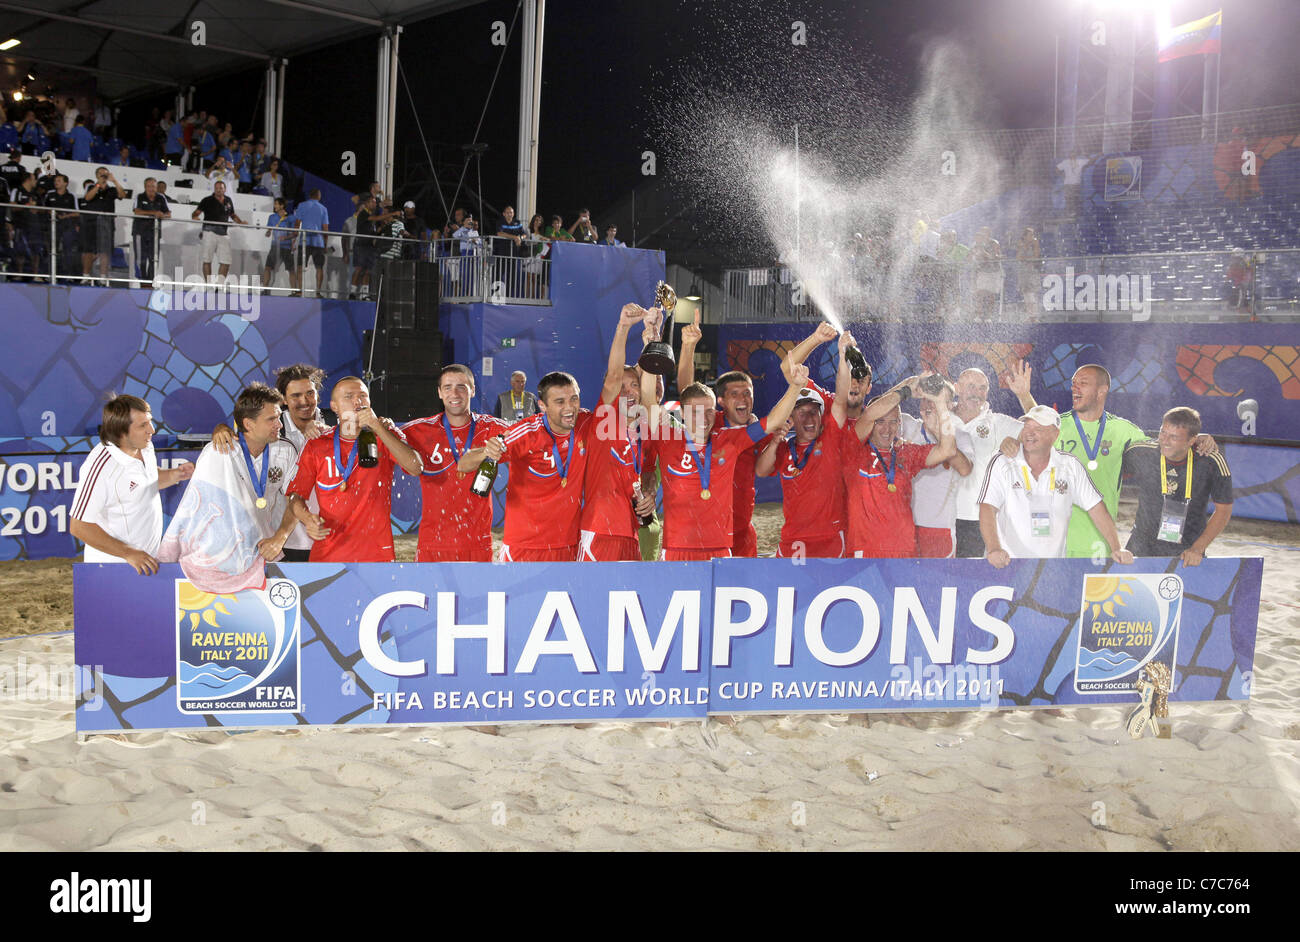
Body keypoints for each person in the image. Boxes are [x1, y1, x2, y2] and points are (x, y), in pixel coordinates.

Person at [1016, 363, 1217, 558]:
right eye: (1073, 383)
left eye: (1083, 383)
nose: (1075, 388)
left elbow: (1166, 448)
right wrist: (1024, 395)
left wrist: (1195, 439)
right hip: (1052, 539)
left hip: (1098, 539)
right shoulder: (1059, 426)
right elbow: (1037, 426)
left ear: (1101, 391)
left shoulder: (1124, 431)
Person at [642, 321, 806, 561]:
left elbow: (772, 421)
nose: (705, 418)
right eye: (696, 412)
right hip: (677, 549)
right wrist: (651, 348)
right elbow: (648, 399)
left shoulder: (729, 439)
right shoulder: (668, 438)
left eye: (708, 411)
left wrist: (795, 387)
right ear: (684, 413)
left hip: (721, 549)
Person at [160, 384, 302, 589]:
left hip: (267, 552)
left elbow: (296, 497)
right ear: (248, 424)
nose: (279, 424)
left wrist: (280, 537)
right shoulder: (218, 451)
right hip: (221, 560)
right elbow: (199, 509)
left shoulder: (285, 450)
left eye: (279, 417)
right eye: (271, 419)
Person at [284, 376, 422, 562]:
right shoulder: (317, 443)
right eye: (349, 396)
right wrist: (308, 519)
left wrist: (377, 428)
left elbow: (415, 467)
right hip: (328, 554)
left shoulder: (386, 436)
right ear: (334, 406)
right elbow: (295, 495)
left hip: (376, 555)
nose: (357, 401)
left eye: (363, 396)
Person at [979, 405, 1131, 566]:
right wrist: (994, 548)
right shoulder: (1003, 462)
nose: (1029, 432)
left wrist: (1117, 547)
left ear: (1055, 434)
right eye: (1027, 426)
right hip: (1008, 564)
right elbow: (988, 507)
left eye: (1038, 428)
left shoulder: (1070, 466)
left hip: (1051, 568)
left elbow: (1096, 508)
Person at [68, 394, 194, 575]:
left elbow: (144, 481)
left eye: (149, 421)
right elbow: (79, 526)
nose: (151, 430)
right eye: (143, 425)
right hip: (113, 568)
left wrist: (175, 475)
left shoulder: (144, 445)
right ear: (121, 432)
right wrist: (129, 553)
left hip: (146, 562)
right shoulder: (101, 467)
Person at [480, 370, 596, 562]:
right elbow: (474, 460)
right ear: (542, 405)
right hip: (524, 547)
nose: (569, 407)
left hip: (569, 546)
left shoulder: (585, 423)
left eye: (574, 399)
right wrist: (486, 450)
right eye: (560, 402)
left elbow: (613, 388)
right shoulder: (527, 431)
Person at [401, 365, 510, 562]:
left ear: (473, 390)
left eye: (462, 386)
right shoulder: (419, 431)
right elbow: (386, 439)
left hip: (477, 544)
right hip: (432, 544)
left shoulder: (492, 428)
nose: (455, 393)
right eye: (448, 387)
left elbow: (529, 437)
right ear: (439, 392)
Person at [577, 304, 658, 562]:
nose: (628, 391)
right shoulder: (603, 421)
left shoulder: (642, 433)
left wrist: (649, 493)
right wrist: (623, 327)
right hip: (600, 532)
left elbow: (646, 473)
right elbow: (613, 377)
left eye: (634, 385)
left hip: (630, 532)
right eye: (621, 387)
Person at [846, 377, 958, 557]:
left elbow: (948, 449)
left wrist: (940, 404)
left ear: (900, 423)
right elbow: (869, 414)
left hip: (905, 551)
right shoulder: (854, 451)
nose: (887, 429)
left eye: (893, 422)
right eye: (880, 422)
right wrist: (904, 391)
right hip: (865, 551)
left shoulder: (905, 453)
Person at [1122, 407, 1233, 565]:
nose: (1164, 441)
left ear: (1191, 440)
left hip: (1186, 549)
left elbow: (1224, 510)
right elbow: (1109, 474)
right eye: (1163, 432)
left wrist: (1197, 548)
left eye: (1173, 437)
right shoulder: (1142, 452)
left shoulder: (1210, 460)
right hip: (1141, 544)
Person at [951, 363, 1036, 558]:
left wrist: (1024, 395)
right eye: (971, 386)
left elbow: (1039, 429)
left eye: (982, 388)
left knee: (967, 579)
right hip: (939, 520)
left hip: (976, 520)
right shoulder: (941, 418)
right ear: (957, 388)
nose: (977, 393)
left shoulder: (997, 423)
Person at [910, 378, 974, 557]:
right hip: (903, 526)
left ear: (950, 406)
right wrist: (907, 387)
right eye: (926, 398)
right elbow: (875, 412)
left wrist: (937, 431)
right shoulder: (905, 426)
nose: (930, 403)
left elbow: (964, 469)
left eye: (937, 399)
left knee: (938, 582)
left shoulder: (961, 436)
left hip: (939, 529)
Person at [191, 179, 244, 286]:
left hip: (223, 233)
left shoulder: (228, 200)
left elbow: (232, 215)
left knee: (226, 261)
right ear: (214, 189)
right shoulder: (207, 200)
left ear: (225, 190)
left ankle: (219, 285)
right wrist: (196, 217)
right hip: (209, 231)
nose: (219, 190)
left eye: (221, 188)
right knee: (207, 259)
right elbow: (195, 213)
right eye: (217, 188)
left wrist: (241, 222)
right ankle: (209, 284)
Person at [80, 167, 124, 285]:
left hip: (106, 223)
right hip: (91, 222)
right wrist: (98, 185)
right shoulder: (90, 187)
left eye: (105, 174)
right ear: (96, 175)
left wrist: (114, 181)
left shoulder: (112, 189)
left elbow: (122, 195)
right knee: (88, 250)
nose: (103, 176)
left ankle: (103, 277)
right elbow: (88, 197)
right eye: (100, 174)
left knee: (105, 250)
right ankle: (86, 275)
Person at [131, 177, 170, 284]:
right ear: (145, 187)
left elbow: (168, 214)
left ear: (156, 187)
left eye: (153, 186)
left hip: (155, 233)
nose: (151, 189)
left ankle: (150, 282)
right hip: (140, 232)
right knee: (140, 259)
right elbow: (137, 211)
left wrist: (162, 215)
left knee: (154, 259)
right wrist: (154, 213)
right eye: (149, 186)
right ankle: (141, 282)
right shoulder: (139, 197)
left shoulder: (161, 198)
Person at [292, 189, 330, 297]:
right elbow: (325, 228)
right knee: (319, 267)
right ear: (318, 196)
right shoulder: (323, 208)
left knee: (300, 266)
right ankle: (318, 292)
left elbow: (297, 223)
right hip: (318, 241)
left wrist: (294, 239)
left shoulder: (302, 205)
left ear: (310, 195)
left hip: (304, 240)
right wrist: (325, 244)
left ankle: (300, 291)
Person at [41, 173, 80, 277]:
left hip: (67, 226)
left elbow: (77, 212)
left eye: (58, 180)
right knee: (50, 250)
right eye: (55, 181)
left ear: (65, 183)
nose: (56, 182)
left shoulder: (71, 196)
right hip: (51, 226)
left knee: (68, 250)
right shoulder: (50, 194)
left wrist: (65, 216)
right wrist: (53, 213)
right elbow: (43, 208)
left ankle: (67, 275)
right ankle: (48, 274)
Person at [263, 196, 299, 292]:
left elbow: (295, 234)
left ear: (282, 206)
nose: (274, 206)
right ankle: (265, 289)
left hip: (286, 247)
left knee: (291, 270)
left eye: (276, 204)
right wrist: (268, 232)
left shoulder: (291, 218)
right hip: (274, 246)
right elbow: (269, 230)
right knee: (267, 267)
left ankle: (294, 291)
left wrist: (286, 238)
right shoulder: (271, 217)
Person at [1057, 152, 1089, 217]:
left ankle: (1075, 214)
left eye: (1073, 153)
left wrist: (1097, 156)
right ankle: (1069, 214)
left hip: (1076, 184)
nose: (1072, 155)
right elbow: (1057, 168)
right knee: (1069, 199)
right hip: (1068, 184)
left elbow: (1090, 161)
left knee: (1075, 199)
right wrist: (1062, 176)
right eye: (1071, 153)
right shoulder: (1066, 162)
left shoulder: (1080, 161)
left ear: (1076, 155)